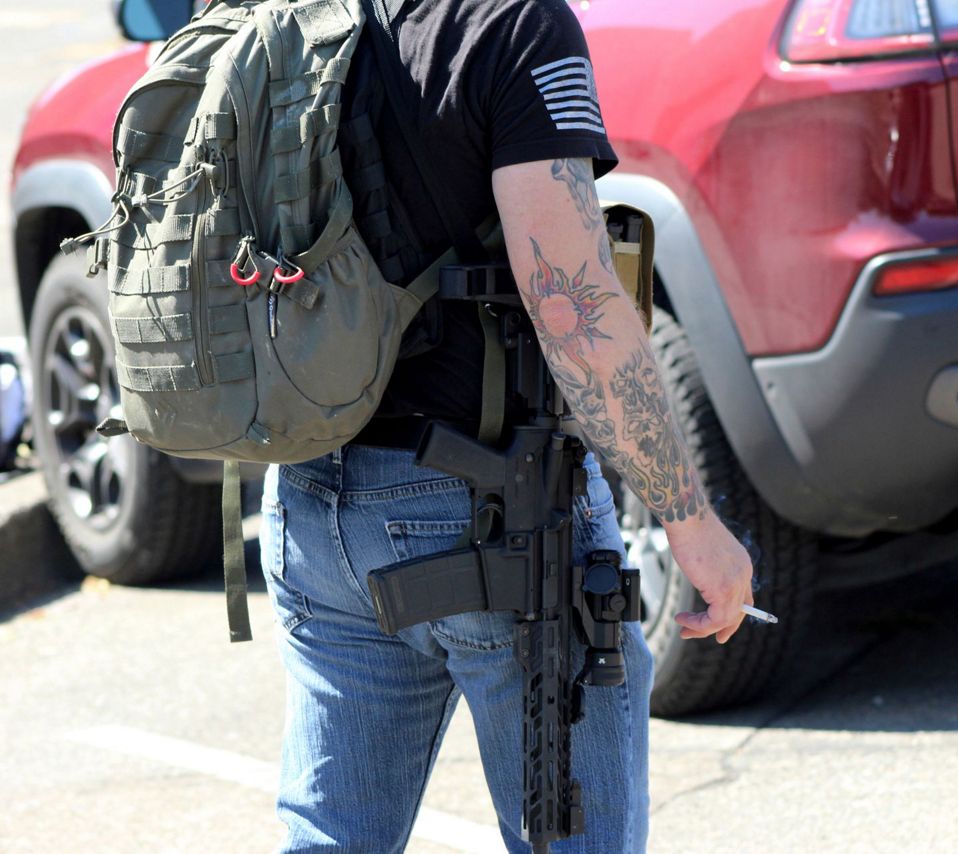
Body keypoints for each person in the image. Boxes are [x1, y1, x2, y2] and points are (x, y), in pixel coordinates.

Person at [257, 0, 756, 850]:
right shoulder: (513, 22)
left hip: (308, 496)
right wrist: (690, 521)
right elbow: (574, 308)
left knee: (329, 839)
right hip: (488, 513)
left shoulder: (290, 12)